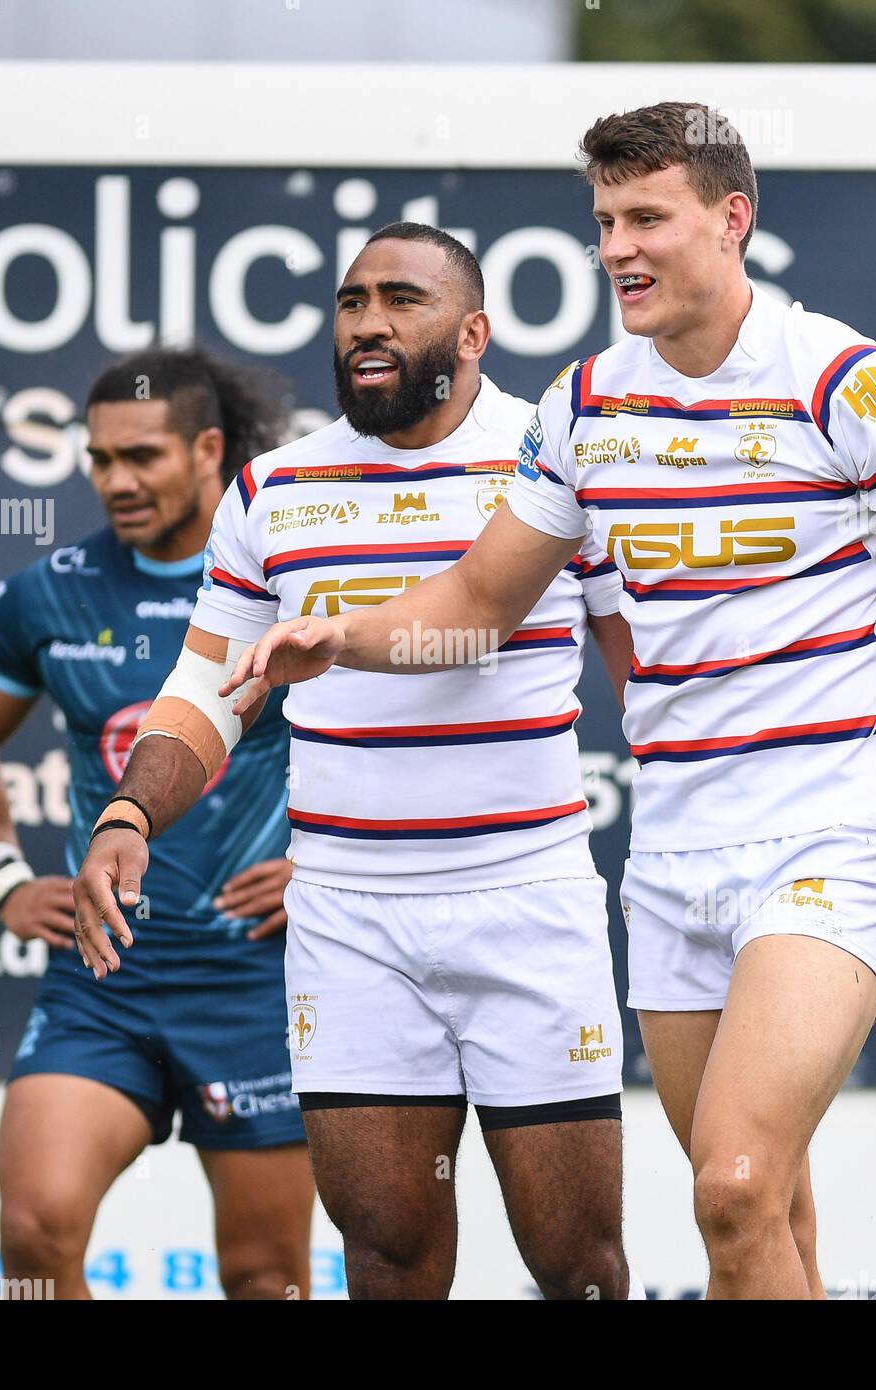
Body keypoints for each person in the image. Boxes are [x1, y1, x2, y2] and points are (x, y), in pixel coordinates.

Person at [222, 106, 876, 1301]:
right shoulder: (586, 407)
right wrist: (338, 637)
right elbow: (480, 597)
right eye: (605, 221)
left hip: (829, 839)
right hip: (670, 858)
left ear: (731, 220)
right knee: (769, 1211)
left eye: (647, 218)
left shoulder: (849, 387)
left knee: (728, 1185)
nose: (618, 247)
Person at [73, 223, 645, 1300]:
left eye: (400, 299)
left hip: (528, 905)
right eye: (350, 302)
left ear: (473, 330)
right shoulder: (272, 490)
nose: (368, 323)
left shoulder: (558, 456)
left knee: (577, 1267)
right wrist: (127, 818)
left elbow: (646, 680)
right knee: (385, 1260)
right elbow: (205, 695)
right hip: (348, 921)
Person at [0, 346, 314, 1300]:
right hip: (104, 982)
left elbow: (423, 738)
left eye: (141, 455)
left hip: (256, 982)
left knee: (267, 1278)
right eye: (99, 459)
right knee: (33, 1235)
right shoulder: (45, 594)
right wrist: (4, 884)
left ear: (208, 448)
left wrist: (329, 866)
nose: (115, 480)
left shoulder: (297, 575)